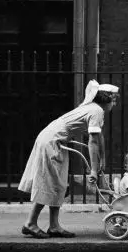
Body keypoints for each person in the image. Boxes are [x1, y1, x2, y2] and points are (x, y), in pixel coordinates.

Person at [19, 80, 119, 238]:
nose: (115, 104)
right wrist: (93, 170)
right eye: (114, 100)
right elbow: (92, 142)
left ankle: (54, 226)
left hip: (55, 139)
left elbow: (99, 138)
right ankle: (30, 223)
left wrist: (102, 160)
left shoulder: (95, 110)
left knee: (59, 184)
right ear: (106, 100)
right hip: (52, 141)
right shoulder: (97, 111)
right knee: (50, 182)